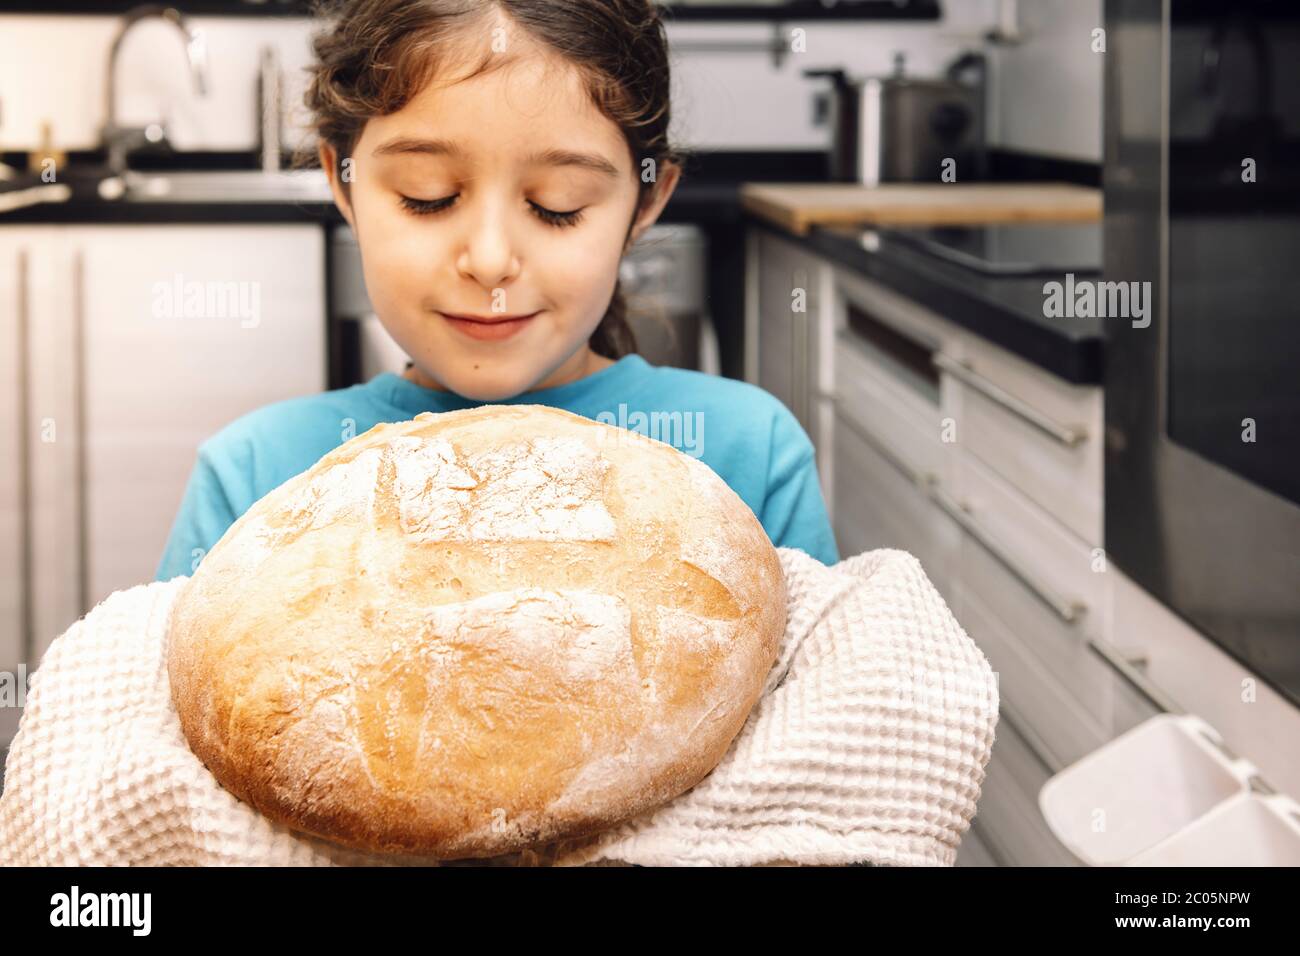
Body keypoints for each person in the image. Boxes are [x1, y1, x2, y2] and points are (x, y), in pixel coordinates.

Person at [155, 0, 838, 582]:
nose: (489, 261)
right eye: (430, 197)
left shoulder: (748, 454)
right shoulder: (253, 476)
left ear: (647, 201)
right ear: (344, 180)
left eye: (557, 204)